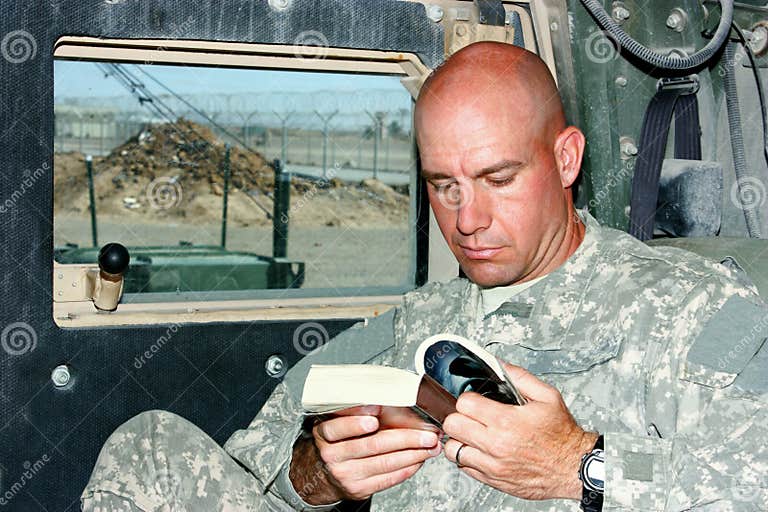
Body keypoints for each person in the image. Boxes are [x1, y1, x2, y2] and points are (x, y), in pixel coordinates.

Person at [82, 42, 768, 512]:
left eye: (498, 178)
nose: (468, 219)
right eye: (444, 186)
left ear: (565, 158)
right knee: (151, 448)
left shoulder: (687, 305)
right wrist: (319, 475)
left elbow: (753, 481)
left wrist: (581, 465)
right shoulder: (417, 320)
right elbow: (255, 457)